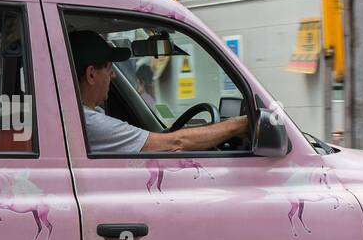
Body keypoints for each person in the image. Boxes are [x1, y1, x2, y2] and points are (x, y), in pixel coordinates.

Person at [69, 30, 248, 153]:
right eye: (109, 68)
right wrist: (237, 126)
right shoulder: (89, 123)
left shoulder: (86, 115)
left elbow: (163, 137)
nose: (113, 75)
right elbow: (175, 142)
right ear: (91, 74)